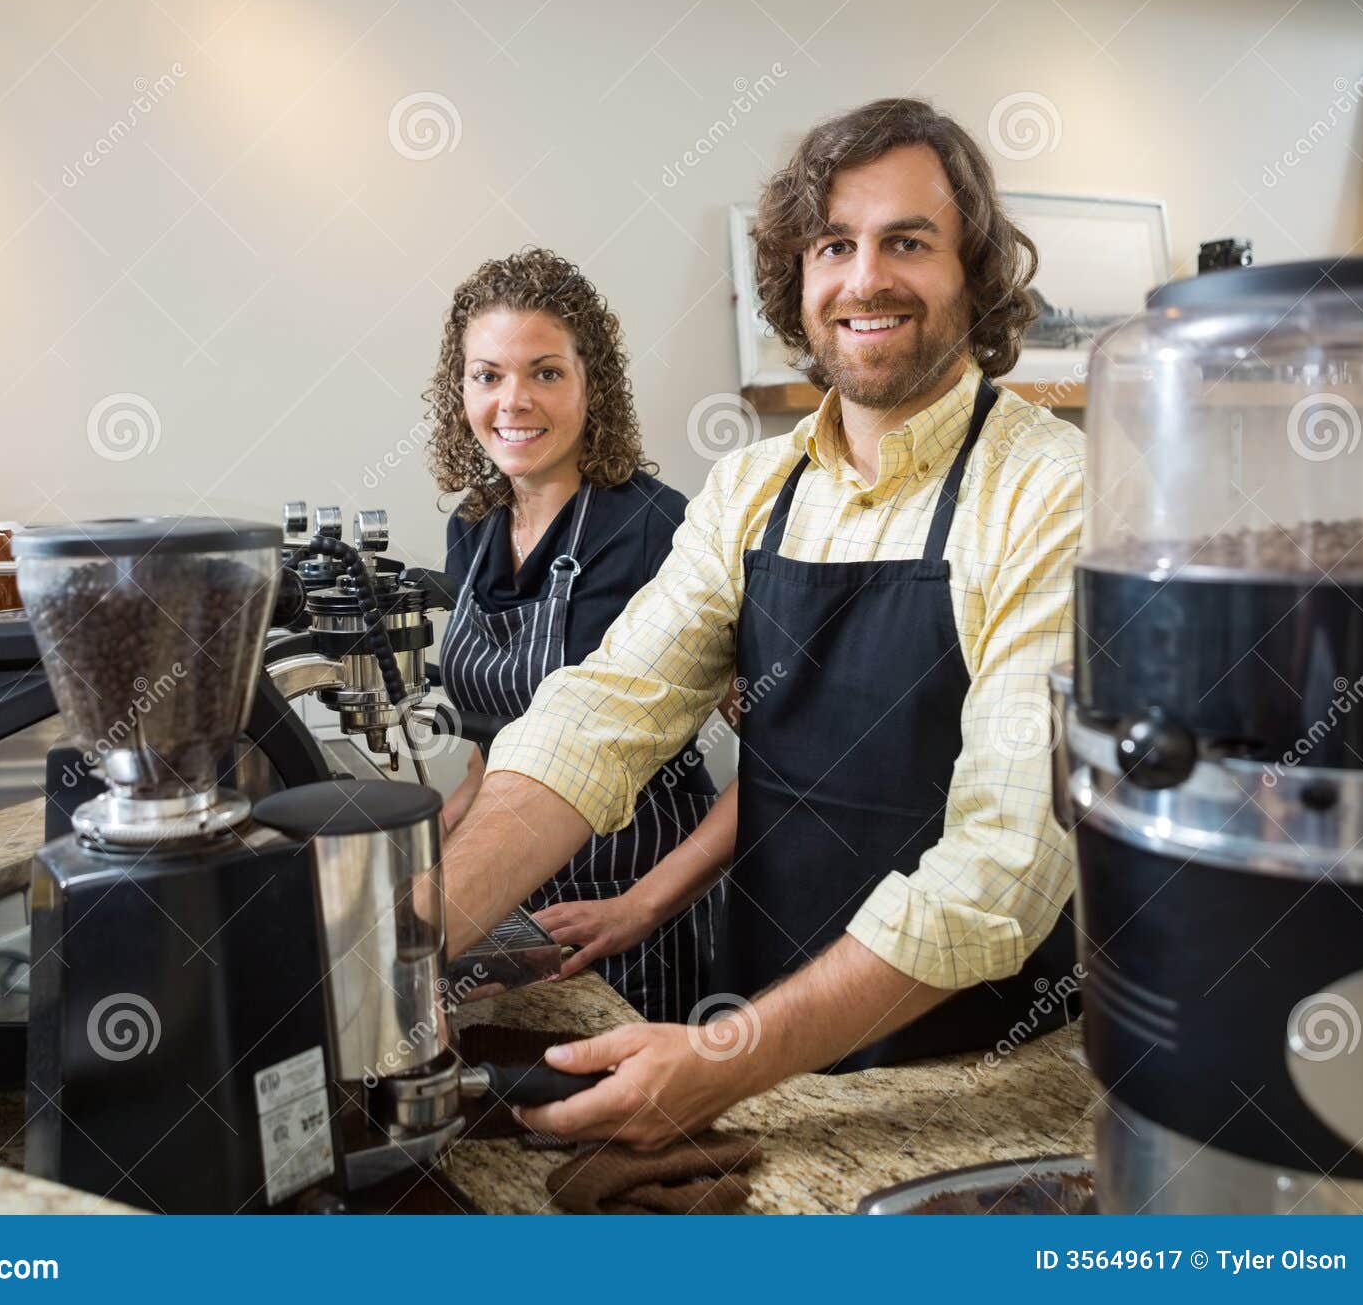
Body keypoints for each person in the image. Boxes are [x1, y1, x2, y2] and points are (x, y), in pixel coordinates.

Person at [440, 99, 1085, 1148]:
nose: (864, 277)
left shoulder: (1049, 491)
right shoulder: (751, 487)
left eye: (907, 242)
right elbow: (601, 714)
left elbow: (1005, 865)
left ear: (973, 268)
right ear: (797, 275)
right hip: (757, 1036)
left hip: (975, 1075)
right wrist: (408, 939)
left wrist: (730, 1054)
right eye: (834, 244)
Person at [425, 247, 723, 1024]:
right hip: (512, 895)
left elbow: (783, 752)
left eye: (545, 372)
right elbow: (503, 738)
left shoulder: (661, 526)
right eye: (487, 375)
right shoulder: (473, 529)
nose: (513, 400)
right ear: (459, 390)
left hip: (635, 900)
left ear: (593, 384)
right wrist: (437, 832)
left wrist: (642, 905)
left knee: (628, 1118)